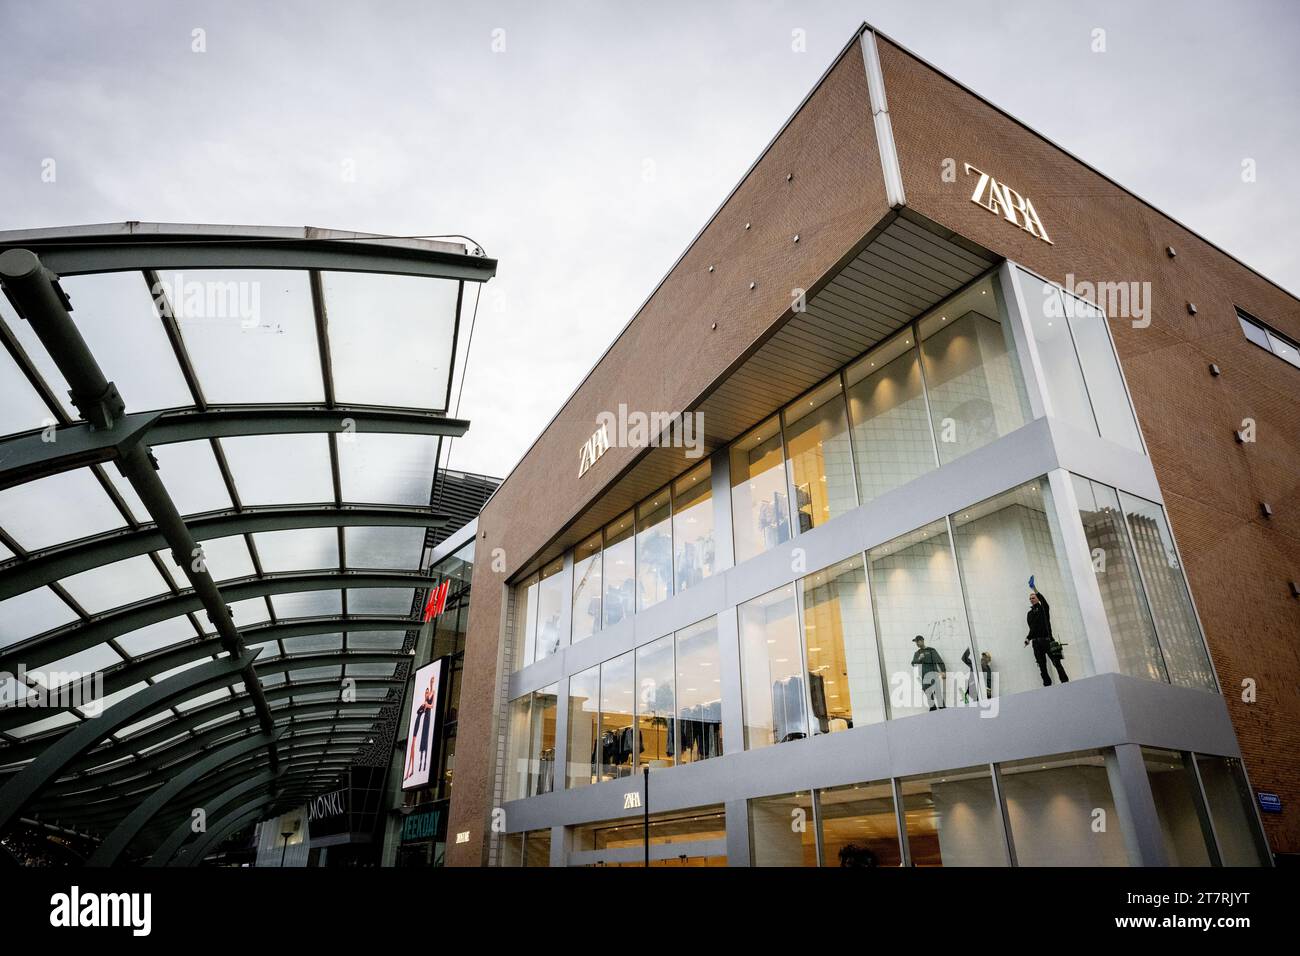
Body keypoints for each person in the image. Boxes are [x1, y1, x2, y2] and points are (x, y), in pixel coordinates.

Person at [1024, 575, 1068, 686]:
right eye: (1030, 598)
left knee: (1056, 662)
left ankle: (1065, 682)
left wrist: (1034, 588)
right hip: (1036, 643)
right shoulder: (1029, 614)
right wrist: (1028, 638)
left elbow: (1043, 601)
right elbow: (1032, 628)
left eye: (1033, 597)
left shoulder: (1043, 608)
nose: (1031, 599)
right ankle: (1047, 685)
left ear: (1037, 599)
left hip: (1047, 640)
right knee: (1042, 666)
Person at [911, 635, 947, 711]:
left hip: (934, 674)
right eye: (916, 642)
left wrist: (943, 671)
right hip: (924, 677)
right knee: (927, 692)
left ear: (922, 640)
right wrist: (919, 659)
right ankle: (933, 708)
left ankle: (942, 708)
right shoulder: (917, 653)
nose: (917, 643)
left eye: (918, 641)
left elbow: (939, 661)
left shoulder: (931, 650)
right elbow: (913, 664)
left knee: (937, 692)